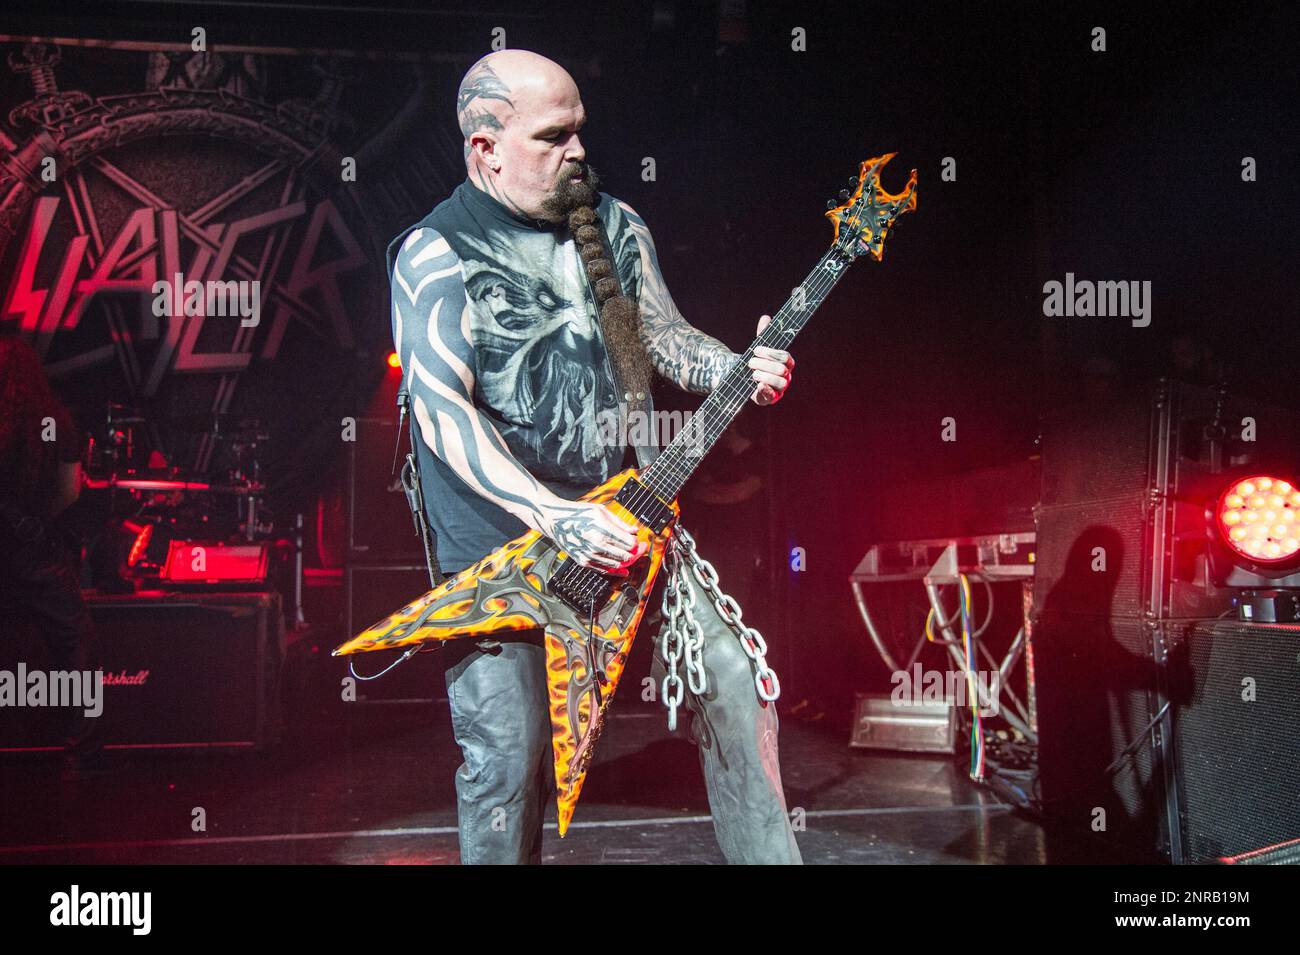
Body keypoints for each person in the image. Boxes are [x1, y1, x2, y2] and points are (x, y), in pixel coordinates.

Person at [388, 49, 801, 864]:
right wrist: (554, 515)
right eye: (553, 137)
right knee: (506, 766)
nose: (578, 151)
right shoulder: (435, 254)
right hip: (502, 547)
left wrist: (736, 371)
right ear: (486, 149)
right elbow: (442, 413)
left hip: (626, 520)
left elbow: (665, 336)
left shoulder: (614, 224)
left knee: (734, 684)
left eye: (581, 130)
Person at [0, 336, 104, 778]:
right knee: (74, 640)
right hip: (35, 556)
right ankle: (81, 748)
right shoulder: (55, 422)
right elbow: (68, 496)